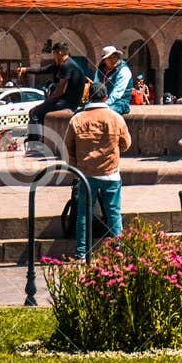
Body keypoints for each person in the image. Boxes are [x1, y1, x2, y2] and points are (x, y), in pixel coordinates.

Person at [63, 80, 132, 259]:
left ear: (88, 97)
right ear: (106, 97)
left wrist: (77, 163)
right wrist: (113, 152)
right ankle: (118, 250)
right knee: (113, 214)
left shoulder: (77, 119)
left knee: (83, 215)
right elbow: (126, 143)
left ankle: (82, 252)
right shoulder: (116, 118)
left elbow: (67, 147)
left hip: (85, 175)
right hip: (111, 173)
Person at [27, 42, 89, 150]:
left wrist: (48, 100)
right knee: (38, 112)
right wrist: (26, 70)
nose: (53, 56)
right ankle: (38, 140)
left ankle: (36, 144)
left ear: (59, 53)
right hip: (66, 100)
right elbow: (43, 70)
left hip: (67, 102)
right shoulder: (63, 64)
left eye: (54, 53)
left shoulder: (67, 66)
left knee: (35, 113)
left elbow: (60, 90)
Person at [98, 46, 133, 117]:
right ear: (104, 60)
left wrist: (104, 105)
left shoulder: (123, 71)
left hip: (120, 103)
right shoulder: (100, 71)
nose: (113, 60)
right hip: (102, 103)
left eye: (115, 57)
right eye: (110, 58)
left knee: (105, 113)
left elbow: (117, 93)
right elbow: (96, 87)